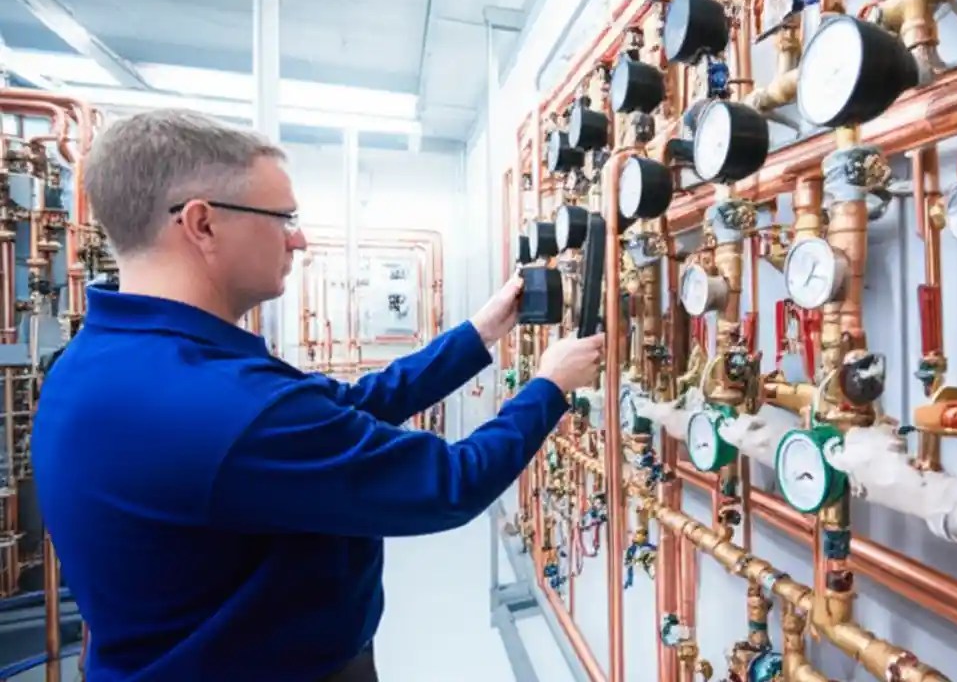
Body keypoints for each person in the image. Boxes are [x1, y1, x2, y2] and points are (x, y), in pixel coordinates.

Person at [31, 109, 604, 682]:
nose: (299, 239)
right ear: (202, 224)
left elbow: (347, 407)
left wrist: (477, 335)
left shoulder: (99, 363)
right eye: (283, 217)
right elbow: (450, 484)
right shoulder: (221, 405)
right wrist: (550, 385)